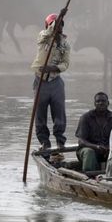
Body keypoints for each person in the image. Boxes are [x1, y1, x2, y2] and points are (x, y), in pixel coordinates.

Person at [30, 11, 70, 151]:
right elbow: (48, 32)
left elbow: (65, 64)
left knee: (59, 112)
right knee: (40, 113)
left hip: (56, 82)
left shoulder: (65, 44)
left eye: (61, 25)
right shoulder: (43, 37)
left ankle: (60, 140)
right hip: (40, 82)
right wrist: (59, 16)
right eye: (56, 25)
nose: (59, 27)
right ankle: (44, 142)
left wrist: (53, 68)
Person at [76, 92, 112, 172]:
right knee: (89, 152)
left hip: (107, 150)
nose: (101, 103)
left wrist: (109, 148)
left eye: (103, 101)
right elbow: (81, 141)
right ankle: (88, 176)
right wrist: (96, 147)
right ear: (94, 103)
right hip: (88, 150)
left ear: (108, 103)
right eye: (98, 101)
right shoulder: (86, 117)